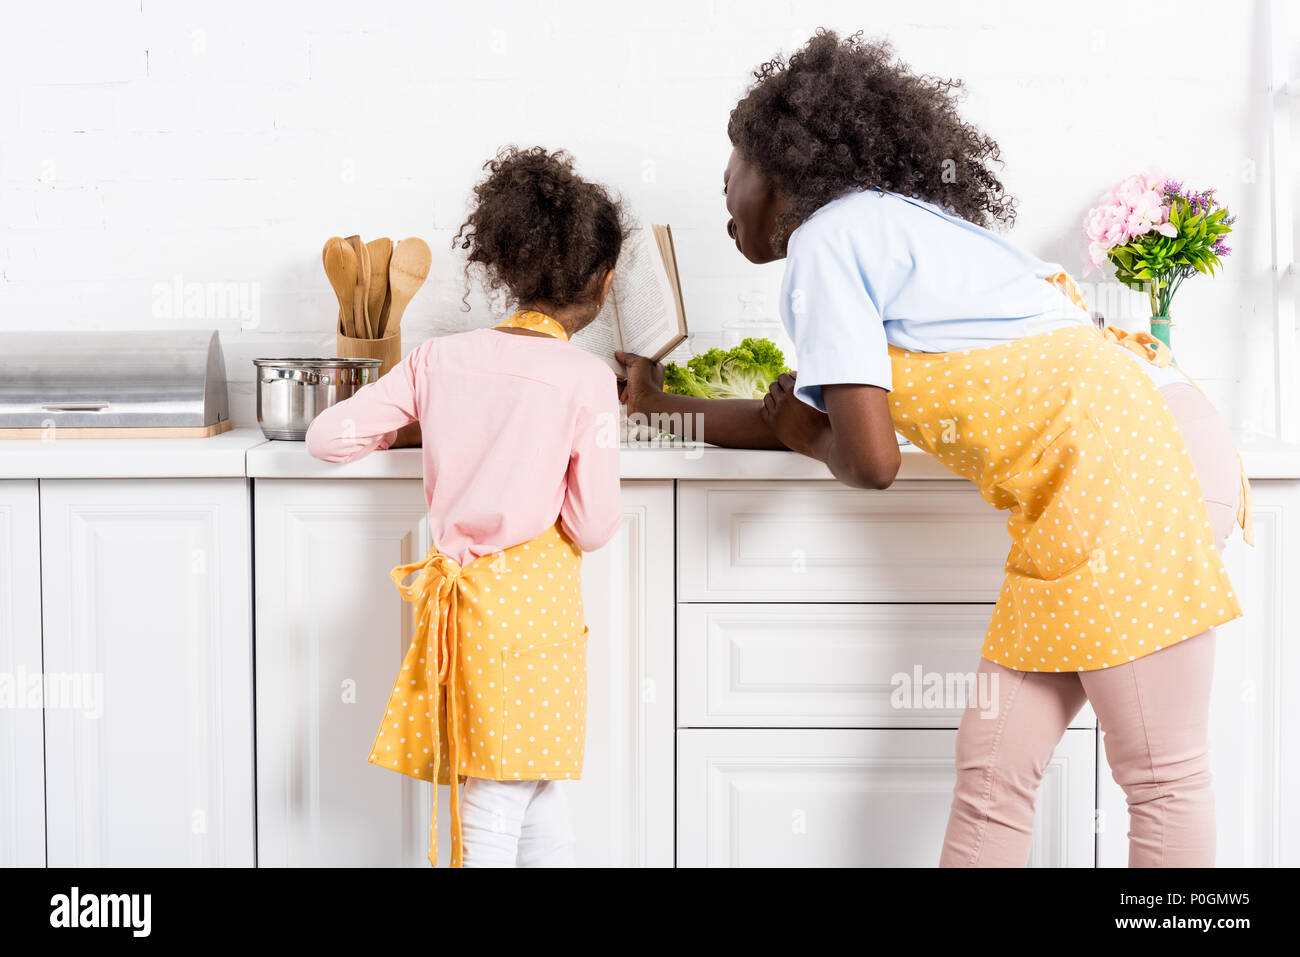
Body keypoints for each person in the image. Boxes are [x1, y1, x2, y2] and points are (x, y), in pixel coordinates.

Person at [619, 30, 1255, 867]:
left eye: (730, 169)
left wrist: (810, 439)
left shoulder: (826, 246)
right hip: (1106, 473)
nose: (724, 193)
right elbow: (802, 412)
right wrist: (661, 405)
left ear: (781, 169)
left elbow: (866, 458)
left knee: (1160, 774)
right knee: (994, 767)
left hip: (1131, 473)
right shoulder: (878, 233)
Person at [306, 145, 625, 867]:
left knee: (530, 785)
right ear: (602, 285)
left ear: (506, 265)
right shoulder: (586, 379)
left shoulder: (436, 361)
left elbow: (327, 437)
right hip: (537, 618)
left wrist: (421, 421)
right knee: (503, 792)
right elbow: (594, 524)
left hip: (469, 612)